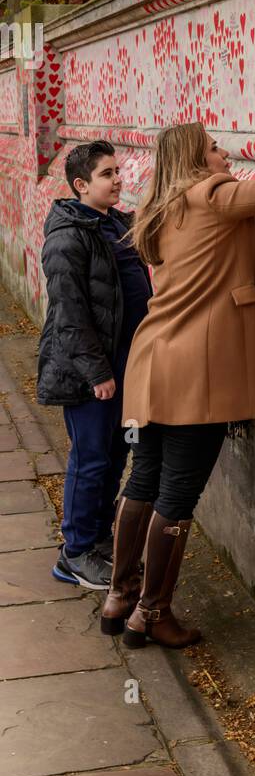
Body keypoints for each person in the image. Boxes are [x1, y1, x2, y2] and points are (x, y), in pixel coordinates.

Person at [100, 101, 255, 649]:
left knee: (144, 479)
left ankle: (119, 596)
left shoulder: (160, 206)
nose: (225, 153)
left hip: (151, 360)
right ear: (196, 160)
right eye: (215, 148)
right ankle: (151, 615)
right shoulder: (212, 196)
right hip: (194, 371)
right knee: (178, 490)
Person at [37, 141, 154, 589]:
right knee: (89, 460)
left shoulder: (116, 224)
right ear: (81, 185)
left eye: (118, 171)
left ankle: (98, 540)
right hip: (91, 373)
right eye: (107, 174)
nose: (118, 179)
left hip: (127, 364)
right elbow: (69, 313)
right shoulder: (68, 236)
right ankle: (75, 552)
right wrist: (97, 373)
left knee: (116, 453)